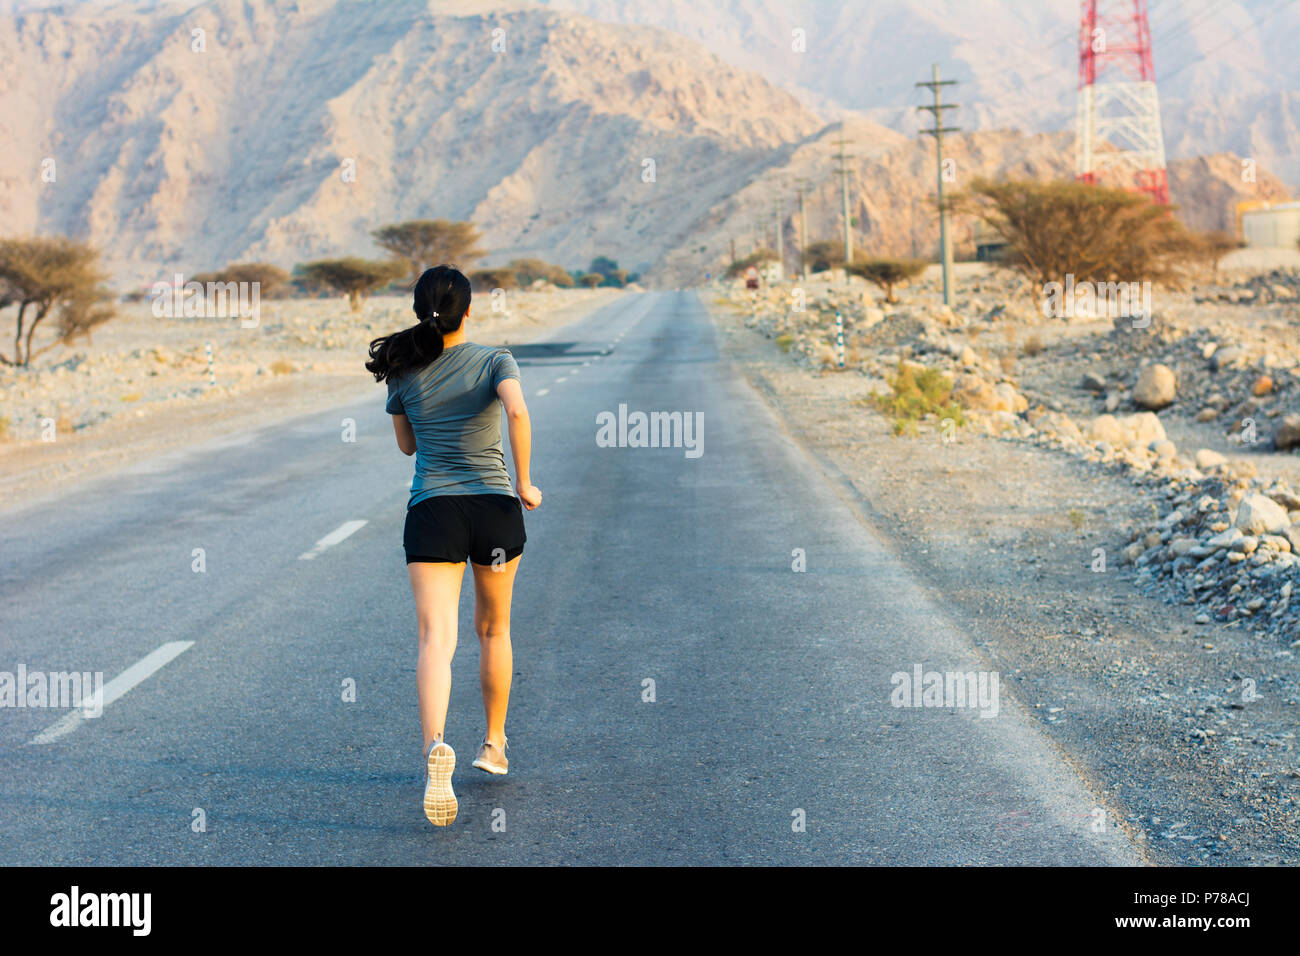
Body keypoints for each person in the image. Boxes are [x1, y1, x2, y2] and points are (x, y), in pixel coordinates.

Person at [365, 265, 542, 827]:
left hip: (434, 514)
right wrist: (525, 482)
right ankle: (493, 744)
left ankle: (434, 748)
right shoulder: (496, 360)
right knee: (494, 630)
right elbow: (516, 409)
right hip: (493, 511)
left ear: (421, 310)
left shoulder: (402, 368)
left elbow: (407, 446)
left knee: (434, 639)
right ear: (470, 310)